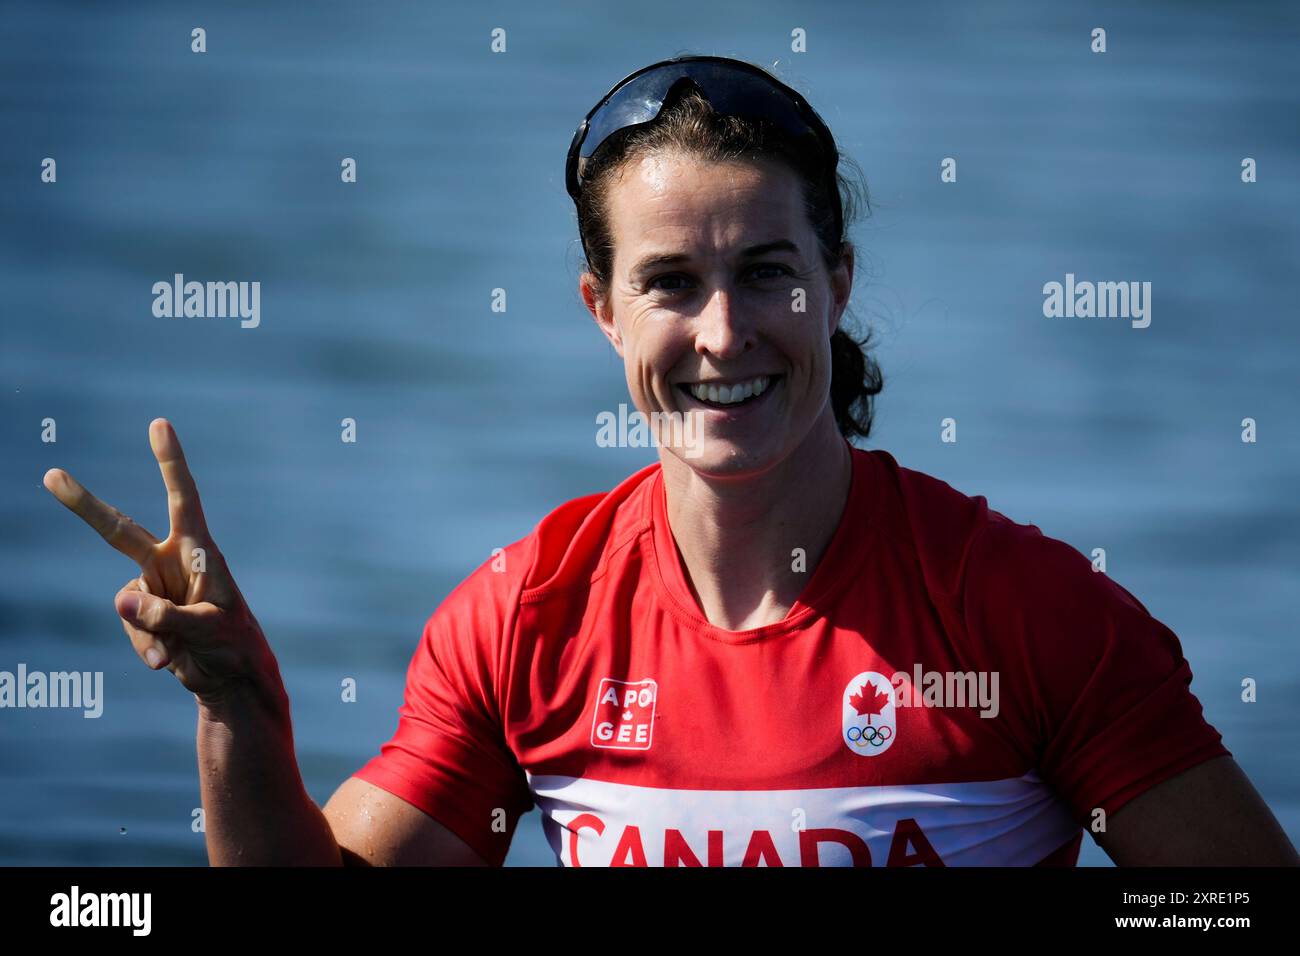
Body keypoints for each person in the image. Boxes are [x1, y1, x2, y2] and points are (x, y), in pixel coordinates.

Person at [44, 55, 1298, 867]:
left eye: (765, 272)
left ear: (835, 286)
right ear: (601, 309)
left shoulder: (1028, 613)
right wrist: (239, 711)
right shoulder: (527, 615)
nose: (720, 332)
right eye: (669, 283)